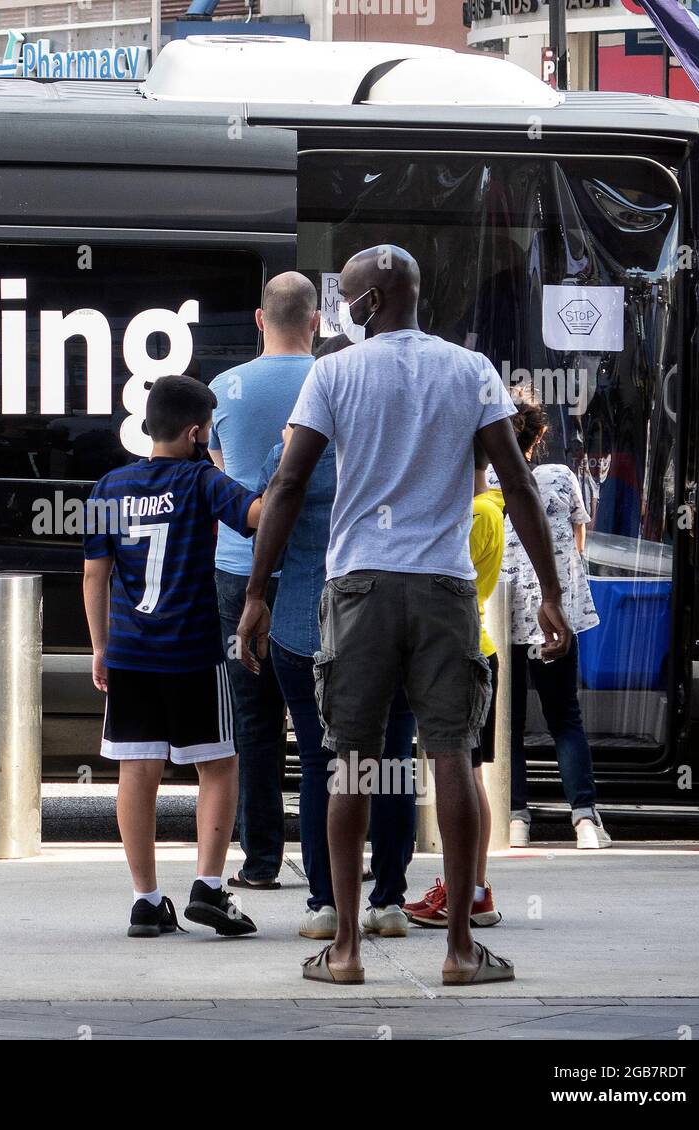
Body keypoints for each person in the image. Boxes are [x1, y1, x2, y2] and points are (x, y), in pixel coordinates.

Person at [237, 245, 570, 986]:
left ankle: (347, 949)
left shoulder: (334, 372)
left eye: (347, 298)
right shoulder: (470, 370)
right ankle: (457, 950)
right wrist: (548, 590)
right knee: (448, 754)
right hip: (444, 587)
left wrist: (258, 591)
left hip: (358, 587)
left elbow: (288, 483)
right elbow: (514, 481)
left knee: (350, 760)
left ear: (366, 305)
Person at [83, 374, 264, 938]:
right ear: (193, 432)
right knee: (219, 766)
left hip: (131, 655)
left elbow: (94, 574)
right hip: (193, 653)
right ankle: (209, 888)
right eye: (207, 433)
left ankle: (145, 899)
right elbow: (257, 516)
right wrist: (287, 466)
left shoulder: (107, 488)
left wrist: (100, 647)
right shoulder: (201, 480)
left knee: (137, 772)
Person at [257, 424, 417, 940]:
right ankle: (389, 901)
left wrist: (256, 595)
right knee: (390, 764)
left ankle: (324, 905)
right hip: (392, 621)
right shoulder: (396, 446)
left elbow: (270, 524)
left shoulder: (288, 452)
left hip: (304, 623)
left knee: (319, 765)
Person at [207, 272, 319, 890]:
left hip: (236, 571)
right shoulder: (335, 380)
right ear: (317, 320)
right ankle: (330, 858)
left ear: (258, 319)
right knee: (323, 720)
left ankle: (259, 862)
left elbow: (226, 487)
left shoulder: (224, 389)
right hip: (314, 570)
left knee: (253, 724)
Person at [492, 392, 610, 849]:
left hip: (503, 617)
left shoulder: (486, 481)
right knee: (565, 717)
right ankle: (583, 820)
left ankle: (516, 819)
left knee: (510, 722)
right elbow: (580, 541)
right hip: (552, 615)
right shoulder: (561, 477)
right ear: (541, 434)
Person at [406, 440, 506, 929]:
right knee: (465, 774)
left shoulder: (478, 513)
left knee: (464, 776)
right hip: (465, 645)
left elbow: (440, 571)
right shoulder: (480, 508)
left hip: (464, 647)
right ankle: (466, 887)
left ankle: (472, 890)